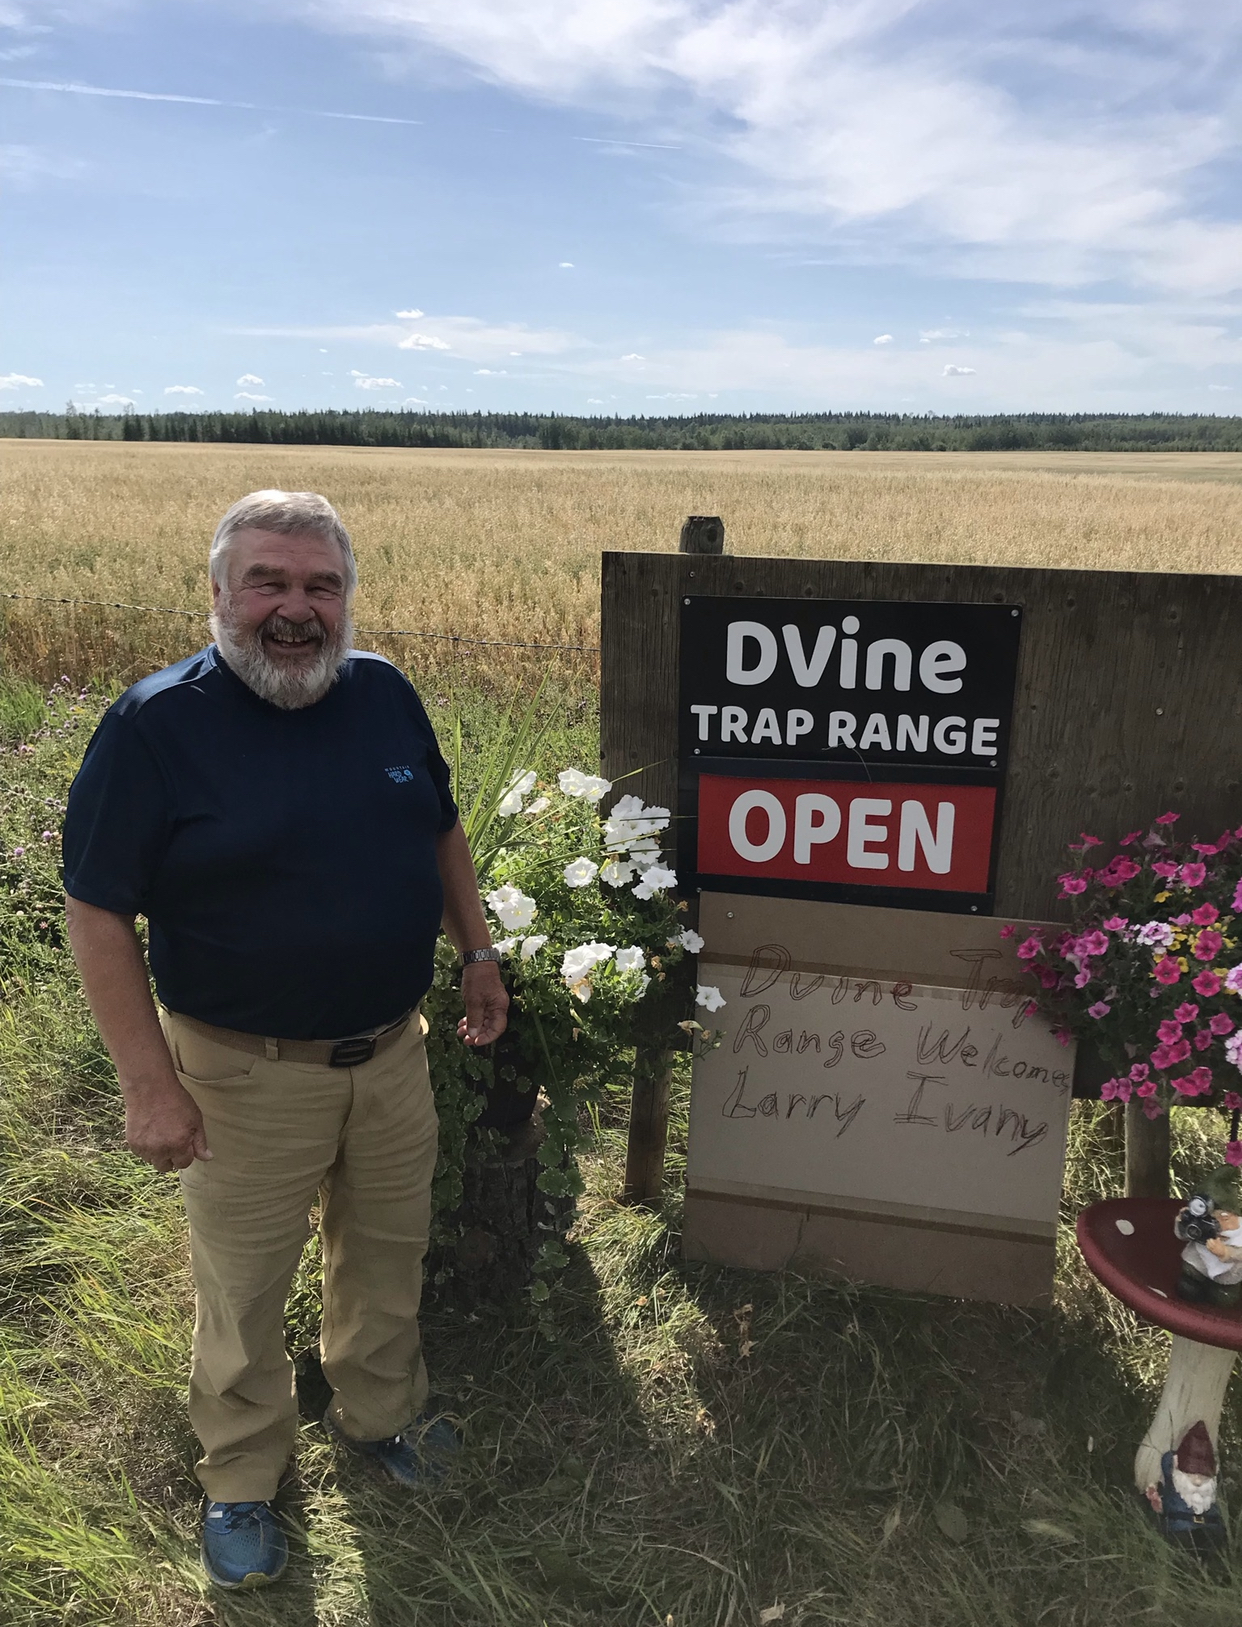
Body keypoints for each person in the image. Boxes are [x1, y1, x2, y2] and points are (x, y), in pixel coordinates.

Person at [62, 489, 508, 1591]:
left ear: (347, 597)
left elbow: (440, 826)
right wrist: (148, 1085)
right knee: (246, 1284)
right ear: (218, 593)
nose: (295, 609)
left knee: (388, 1248)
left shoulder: (387, 694)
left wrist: (480, 951)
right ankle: (243, 1477)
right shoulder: (155, 726)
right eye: (268, 582)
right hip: (241, 1070)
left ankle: (378, 1411)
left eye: (321, 585)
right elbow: (96, 906)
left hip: (391, 1052)